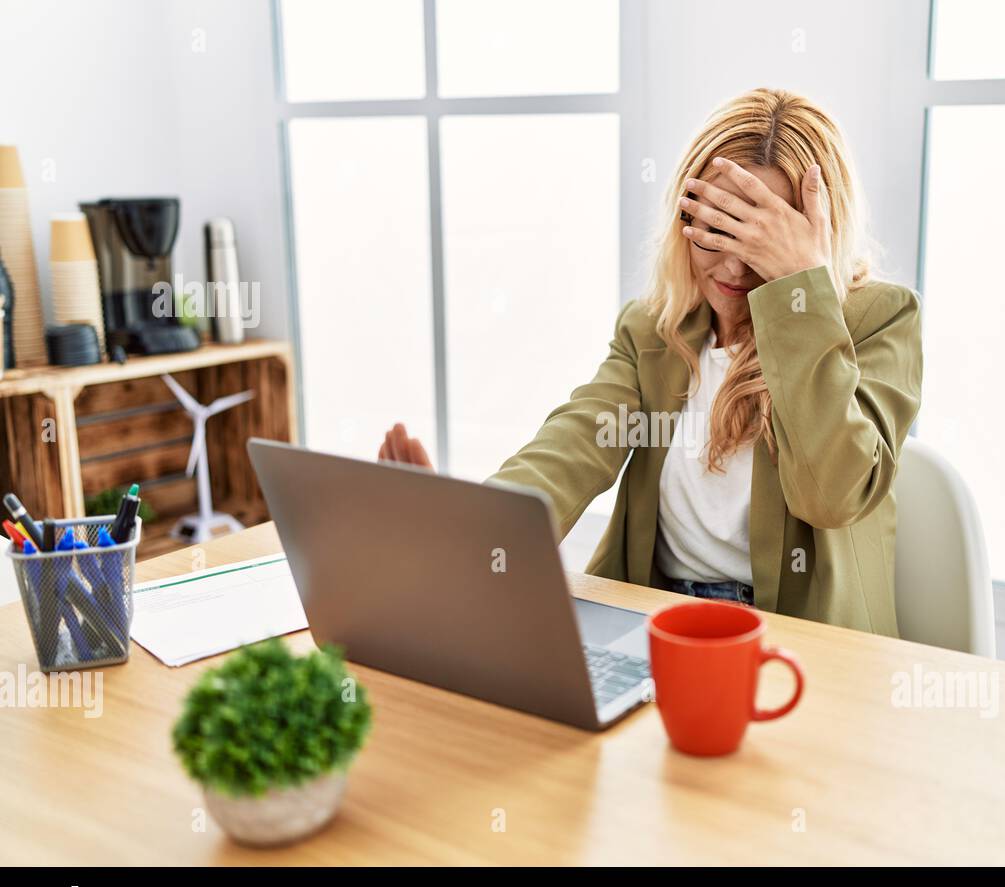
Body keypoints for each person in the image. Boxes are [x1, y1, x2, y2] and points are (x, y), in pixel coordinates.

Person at [381, 88, 922, 635]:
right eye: (715, 231)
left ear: (818, 235)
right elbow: (574, 445)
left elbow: (832, 495)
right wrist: (471, 527)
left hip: (797, 642)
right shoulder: (654, 328)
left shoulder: (878, 319)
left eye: (760, 242)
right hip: (654, 622)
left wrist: (801, 291)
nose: (733, 268)